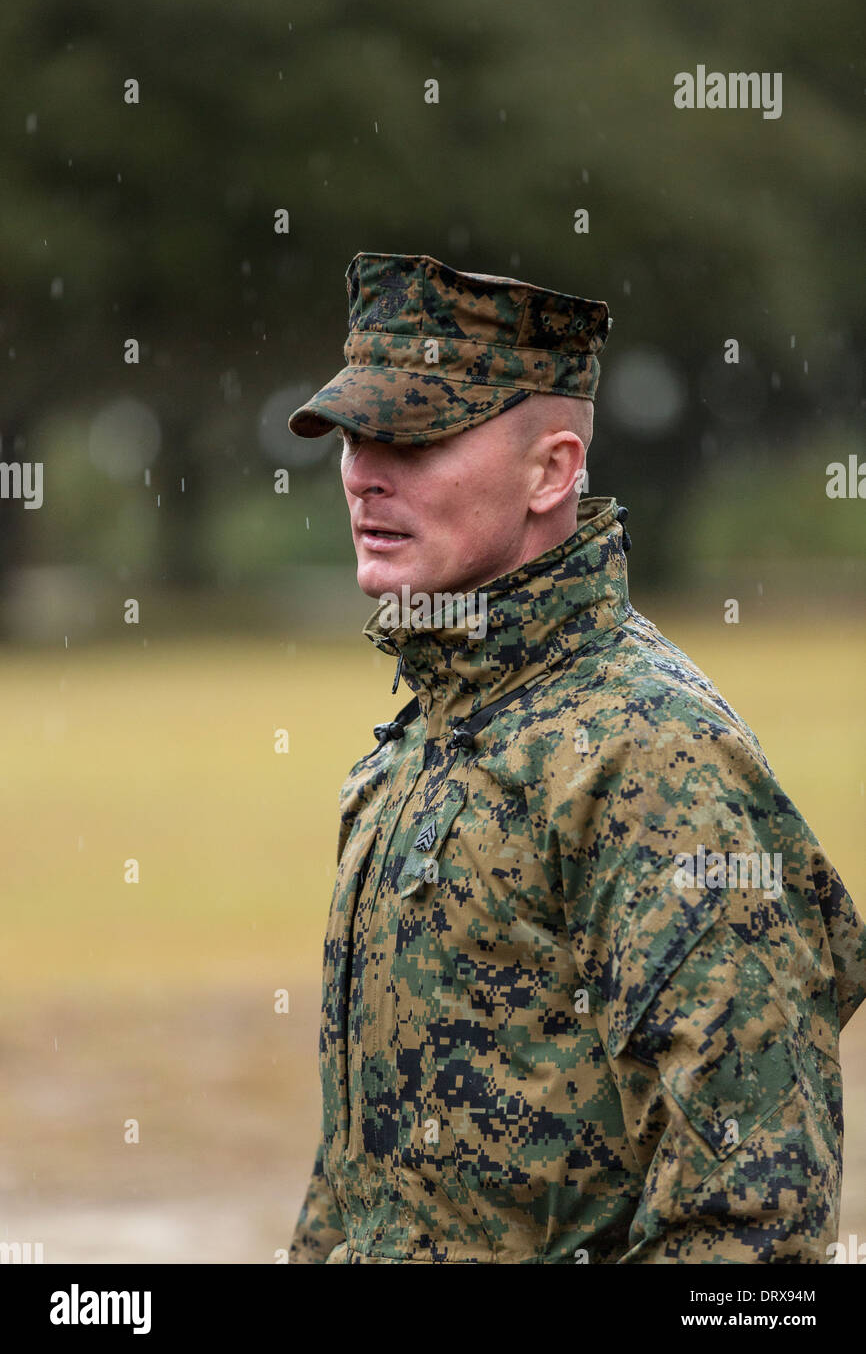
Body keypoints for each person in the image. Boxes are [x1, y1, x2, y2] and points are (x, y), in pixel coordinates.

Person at [285, 250, 866, 1264]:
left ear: (550, 470)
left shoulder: (648, 757)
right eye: (352, 436)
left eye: (412, 439)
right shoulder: (422, 739)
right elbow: (363, 1187)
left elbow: (751, 1222)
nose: (365, 472)